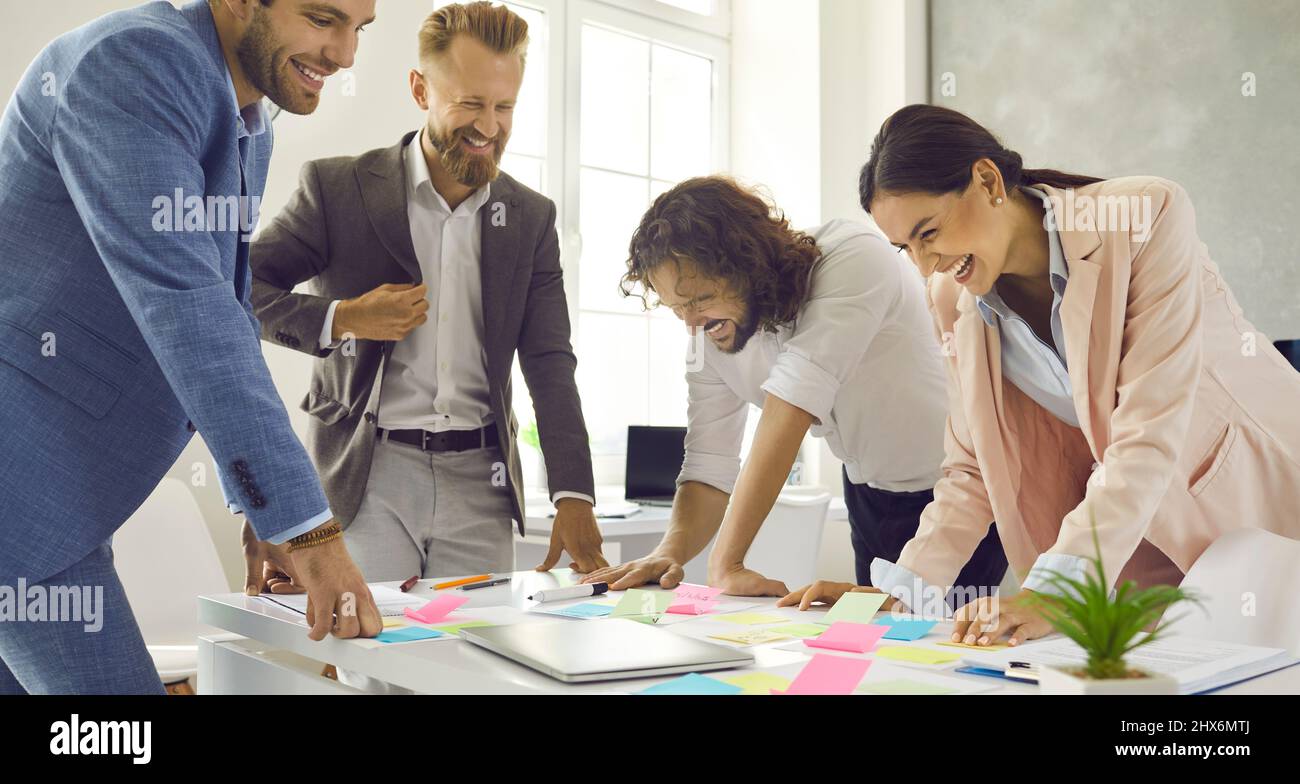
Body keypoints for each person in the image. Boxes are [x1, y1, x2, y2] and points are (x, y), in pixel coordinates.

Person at [782, 104, 1300, 647]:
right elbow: (971, 468)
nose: (924, 264)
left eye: (928, 233)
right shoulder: (953, 297)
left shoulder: (1143, 214)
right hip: (1134, 547)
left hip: (1257, 514)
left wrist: (1055, 591)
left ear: (987, 181)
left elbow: (1147, 431)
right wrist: (903, 587)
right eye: (905, 248)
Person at [0, 0, 382, 695]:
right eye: (324, 18)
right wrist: (309, 530)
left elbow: (228, 312)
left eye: (360, 28)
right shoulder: (136, 63)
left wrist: (258, 507)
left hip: (62, 500)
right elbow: (187, 306)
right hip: (24, 493)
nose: (346, 54)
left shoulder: (247, 121)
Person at [251, 1, 606, 586]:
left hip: (483, 481)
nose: (489, 127)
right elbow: (243, 290)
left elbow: (549, 361)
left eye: (503, 106)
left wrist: (573, 493)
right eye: (469, 103)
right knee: (371, 663)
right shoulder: (336, 188)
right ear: (420, 90)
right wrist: (342, 318)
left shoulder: (531, 219)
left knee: (475, 664)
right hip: (367, 473)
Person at [583, 176, 1007, 602]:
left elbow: (793, 405)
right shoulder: (707, 335)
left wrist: (725, 564)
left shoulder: (852, 256)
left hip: (960, 493)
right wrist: (668, 551)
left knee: (952, 648)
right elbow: (708, 463)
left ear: (747, 264)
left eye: (700, 299)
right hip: (869, 498)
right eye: (676, 308)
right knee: (871, 642)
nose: (690, 323)